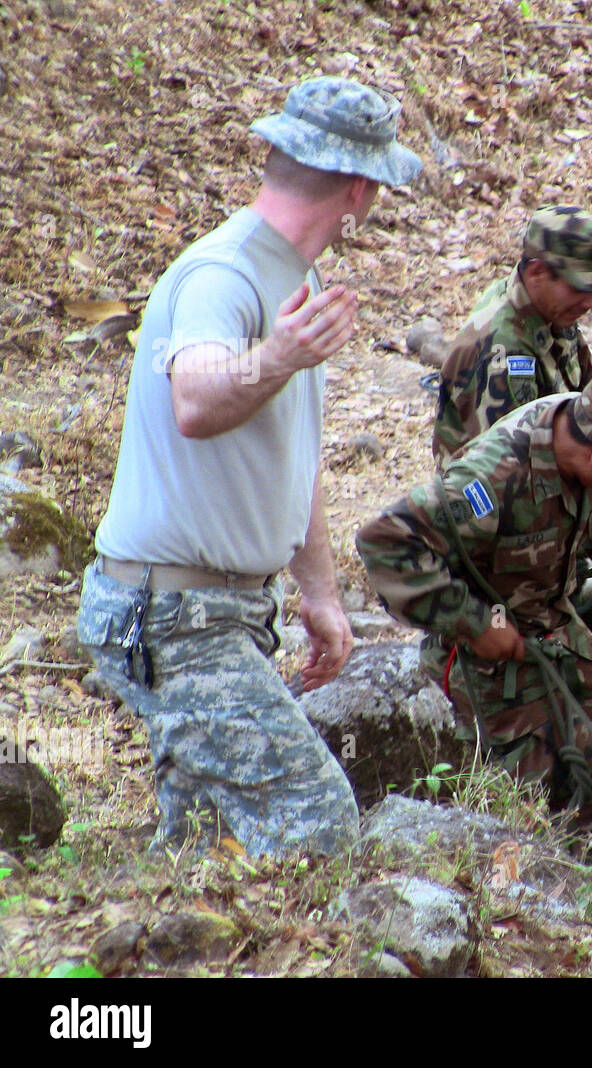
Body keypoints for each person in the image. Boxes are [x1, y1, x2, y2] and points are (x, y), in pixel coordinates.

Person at [77, 77, 423, 857]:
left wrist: (320, 592)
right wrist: (275, 357)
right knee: (319, 823)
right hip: (168, 618)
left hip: (222, 614)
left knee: (203, 847)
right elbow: (196, 402)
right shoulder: (224, 275)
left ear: (275, 152)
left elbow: (292, 455)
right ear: (361, 191)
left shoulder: (294, 280)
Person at [358, 371, 592, 870]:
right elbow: (386, 540)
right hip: (487, 662)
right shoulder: (492, 478)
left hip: (552, 626)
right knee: (534, 797)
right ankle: (536, 895)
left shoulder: (584, 424)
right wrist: (475, 622)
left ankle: (585, 893)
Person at [433, 206, 592, 462]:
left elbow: (589, 388)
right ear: (537, 273)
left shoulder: (548, 307)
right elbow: (509, 468)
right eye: (582, 288)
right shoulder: (501, 351)